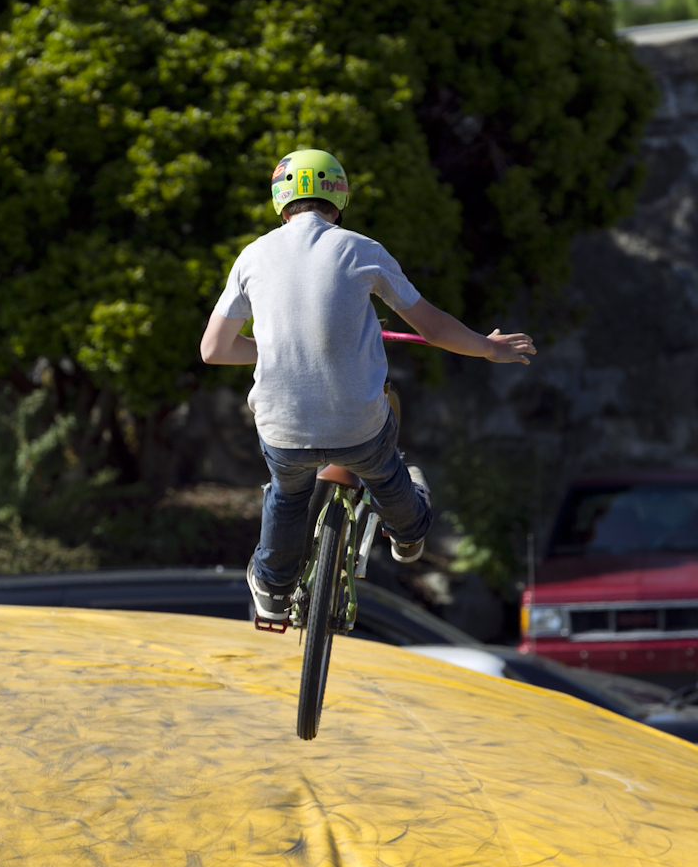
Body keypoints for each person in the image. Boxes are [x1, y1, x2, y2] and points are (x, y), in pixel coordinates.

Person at [199, 147, 536, 623]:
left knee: (287, 492)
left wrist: (276, 349)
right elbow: (433, 328)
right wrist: (487, 346)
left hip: (283, 428)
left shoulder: (252, 256)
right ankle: (409, 530)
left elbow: (213, 349)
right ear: (339, 198)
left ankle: (272, 587)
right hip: (355, 426)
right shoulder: (362, 250)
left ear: (279, 199)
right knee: (382, 465)